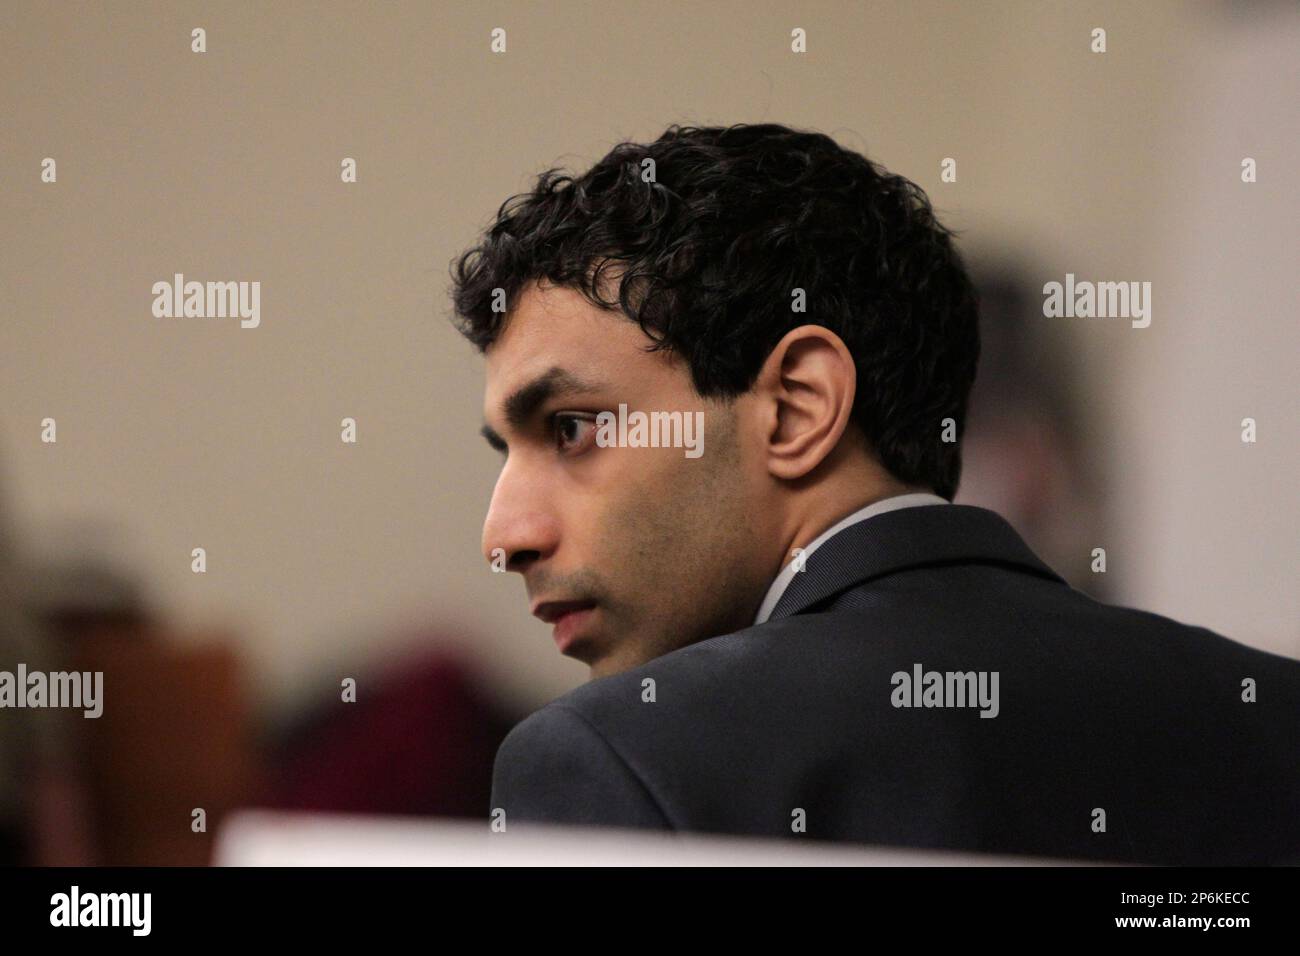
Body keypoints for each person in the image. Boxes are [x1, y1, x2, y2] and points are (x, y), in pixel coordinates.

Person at [447, 123, 1299, 863]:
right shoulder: (1272, 717)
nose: (504, 535)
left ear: (797, 408)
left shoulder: (617, 756)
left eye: (571, 428)